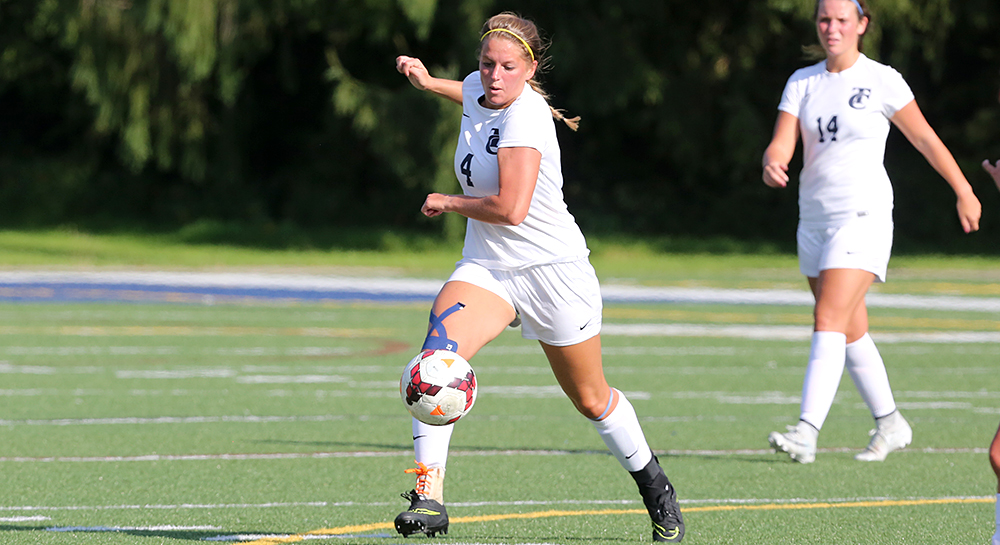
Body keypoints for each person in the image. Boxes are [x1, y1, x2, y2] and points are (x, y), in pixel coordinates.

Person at [392, 12, 684, 542]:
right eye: (487, 65)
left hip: (553, 273)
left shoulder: (528, 119)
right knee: (436, 358)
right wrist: (429, 81)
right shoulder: (482, 86)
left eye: (508, 67)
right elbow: (471, 93)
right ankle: (428, 494)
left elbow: (511, 209)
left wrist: (447, 201)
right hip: (488, 268)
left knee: (592, 399)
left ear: (530, 69)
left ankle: (652, 481)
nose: (494, 76)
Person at [761, 0, 982, 464]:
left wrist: (964, 189)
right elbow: (782, 141)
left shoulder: (882, 79)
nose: (831, 28)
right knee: (849, 329)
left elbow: (924, 138)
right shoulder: (803, 82)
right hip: (814, 221)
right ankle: (890, 422)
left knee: (828, 318)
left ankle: (806, 431)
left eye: (842, 20)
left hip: (864, 216)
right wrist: (773, 163)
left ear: (862, 25)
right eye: (824, 19)